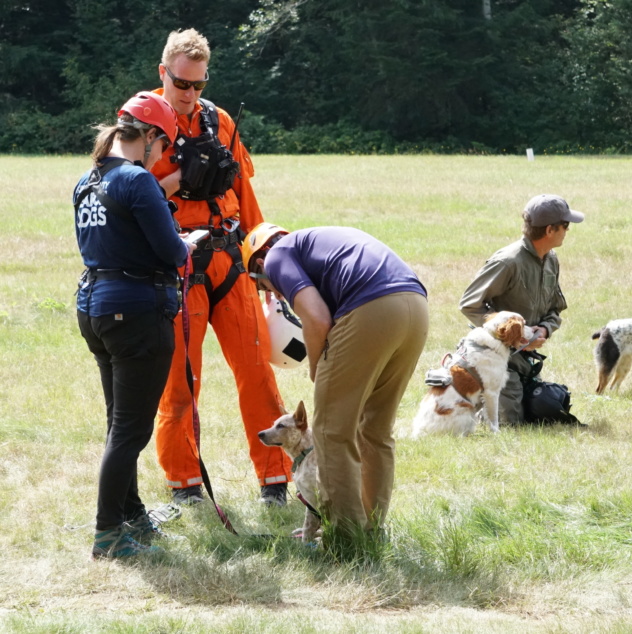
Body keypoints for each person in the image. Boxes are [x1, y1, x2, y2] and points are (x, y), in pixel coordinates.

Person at [149, 29, 292, 506]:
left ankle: (275, 478)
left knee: (257, 373)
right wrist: (179, 177)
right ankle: (185, 483)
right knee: (180, 381)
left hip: (230, 260)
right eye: (181, 84)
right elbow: (131, 195)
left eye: (198, 85)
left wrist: (266, 260)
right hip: (177, 266)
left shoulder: (220, 120)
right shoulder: (143, 123)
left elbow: (246, 197)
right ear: (162, 73)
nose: (189, 95)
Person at [241, 223, 429, 543]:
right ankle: (371, 532)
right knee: (376, 431)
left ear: (259, 264)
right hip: (415, 307)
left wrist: (319, 369)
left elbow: (317, 318)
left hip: (373, 308)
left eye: (263, 287)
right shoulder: (312, 245)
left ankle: (345, 539)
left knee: (330, 431)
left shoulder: (276, 257)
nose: (271, 294)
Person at [74, 92, 193, 558]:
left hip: (96, 306)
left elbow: (114, 239)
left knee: (119, 423)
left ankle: (132, 516)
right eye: (162, 147)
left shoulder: (86, 180)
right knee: (130, 430)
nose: (162, 157)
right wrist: (190, 242)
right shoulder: (137, 180)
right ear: (149, 137)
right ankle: (108, 534)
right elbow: (171, 252)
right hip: (137, 310)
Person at [459, 194, 583, 424]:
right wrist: (509, 334)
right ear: (549, 230)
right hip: (496, 359)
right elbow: (469, 304)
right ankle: (474, 403)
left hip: (526, 362)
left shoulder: (551, 259)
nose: (568, 231)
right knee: (510, 424)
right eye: (565, 226)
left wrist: (543, 330)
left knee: (546, 409)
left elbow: (555, 309)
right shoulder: (508, 261)